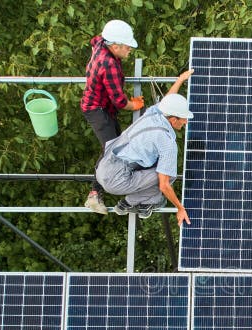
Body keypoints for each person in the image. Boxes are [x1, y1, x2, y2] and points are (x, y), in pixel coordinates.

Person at [95, 69, 194, 226]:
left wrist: (180, 80)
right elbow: (164, 185)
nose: (186, 122)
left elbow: (167, 100)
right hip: (116, 179)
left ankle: (129, 202)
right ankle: (141, 201)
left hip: (104, 165)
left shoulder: (154, 114)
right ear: (173, 119)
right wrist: (180, 208)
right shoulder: (167, 142)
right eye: (183, 119)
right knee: (169, 175)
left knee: (160, 167)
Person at [81, 19, 145, 215]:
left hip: (102, 108)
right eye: (127, 47)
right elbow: (119, 100)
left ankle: (102, 188)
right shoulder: (109, 65)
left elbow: (95, 40)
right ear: (115, 46)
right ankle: (94, 195)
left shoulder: (102, 43)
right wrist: (135, 104)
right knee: (111, 151)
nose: (130, 50)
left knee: (117, 146)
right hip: (97, 109)